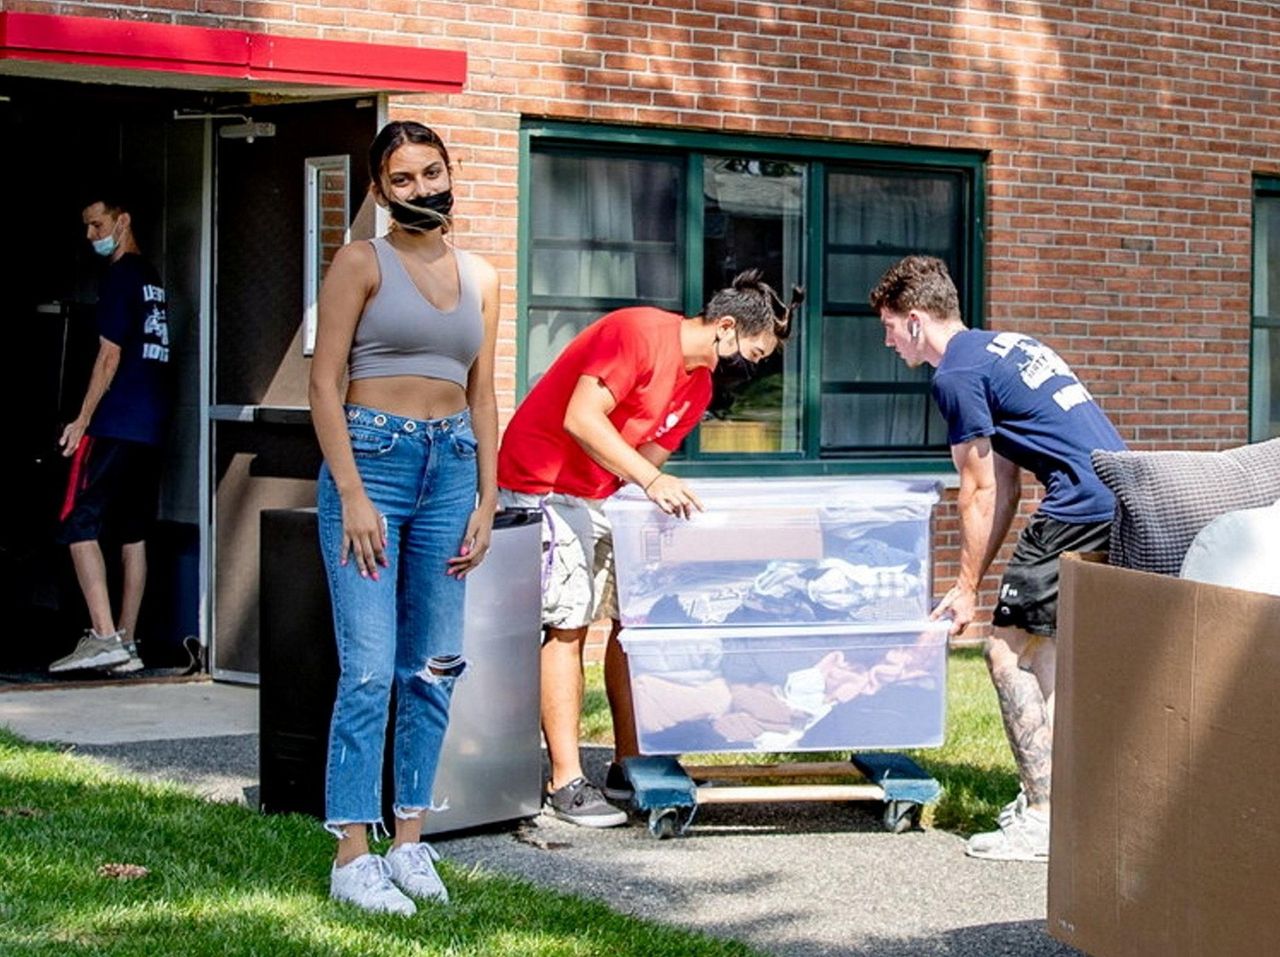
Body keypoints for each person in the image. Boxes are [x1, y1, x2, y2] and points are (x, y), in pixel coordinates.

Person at [497, 271, 799, 827]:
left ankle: (630, 763)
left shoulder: (700, 387)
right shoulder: (635, 334)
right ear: (726, 327)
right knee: (568, 625)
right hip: (543, 482)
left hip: (602, 493)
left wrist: (652, 498)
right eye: (752, 354)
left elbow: (649, 462)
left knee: (631, 623)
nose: (750, 368)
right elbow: (581, 418)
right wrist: (650, 483)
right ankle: (565, 780)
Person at [870, 255, 1126, 862]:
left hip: (1079, 502)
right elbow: (1006, 484)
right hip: (1117, 493)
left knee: (1003, 650)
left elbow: (980, 490)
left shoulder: (953, 375)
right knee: (1048, 653)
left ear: (914, 321)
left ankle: (1041, 818)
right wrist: (975, 581)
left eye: (886, 327)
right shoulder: (999, 347)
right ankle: (1064, 806)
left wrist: (965, 590)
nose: (885, 341)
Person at [308, 120, 499, 914]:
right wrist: (352, 491)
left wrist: (491, 495)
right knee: (368, 666)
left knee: (434, 665)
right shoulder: (361, 261)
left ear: (450, 175)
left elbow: (485, 392)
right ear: (382, 191)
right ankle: (352, 851)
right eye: (405, 178)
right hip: (371, 463)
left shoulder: (483, 275)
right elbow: (323, 384)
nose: (423, 188)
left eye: (433, 172)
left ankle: (409, 842)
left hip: (453, 469)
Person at [51, 189, 173, 675]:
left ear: (123, 220)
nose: (90, 236)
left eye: (97, 225)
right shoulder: (152, 279)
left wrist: (81, 420)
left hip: (115, 421)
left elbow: (109, 355)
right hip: (151, 425)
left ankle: (102, 636)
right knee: (132, 532)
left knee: (78, 523)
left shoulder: (121, 275)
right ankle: (127, 641)